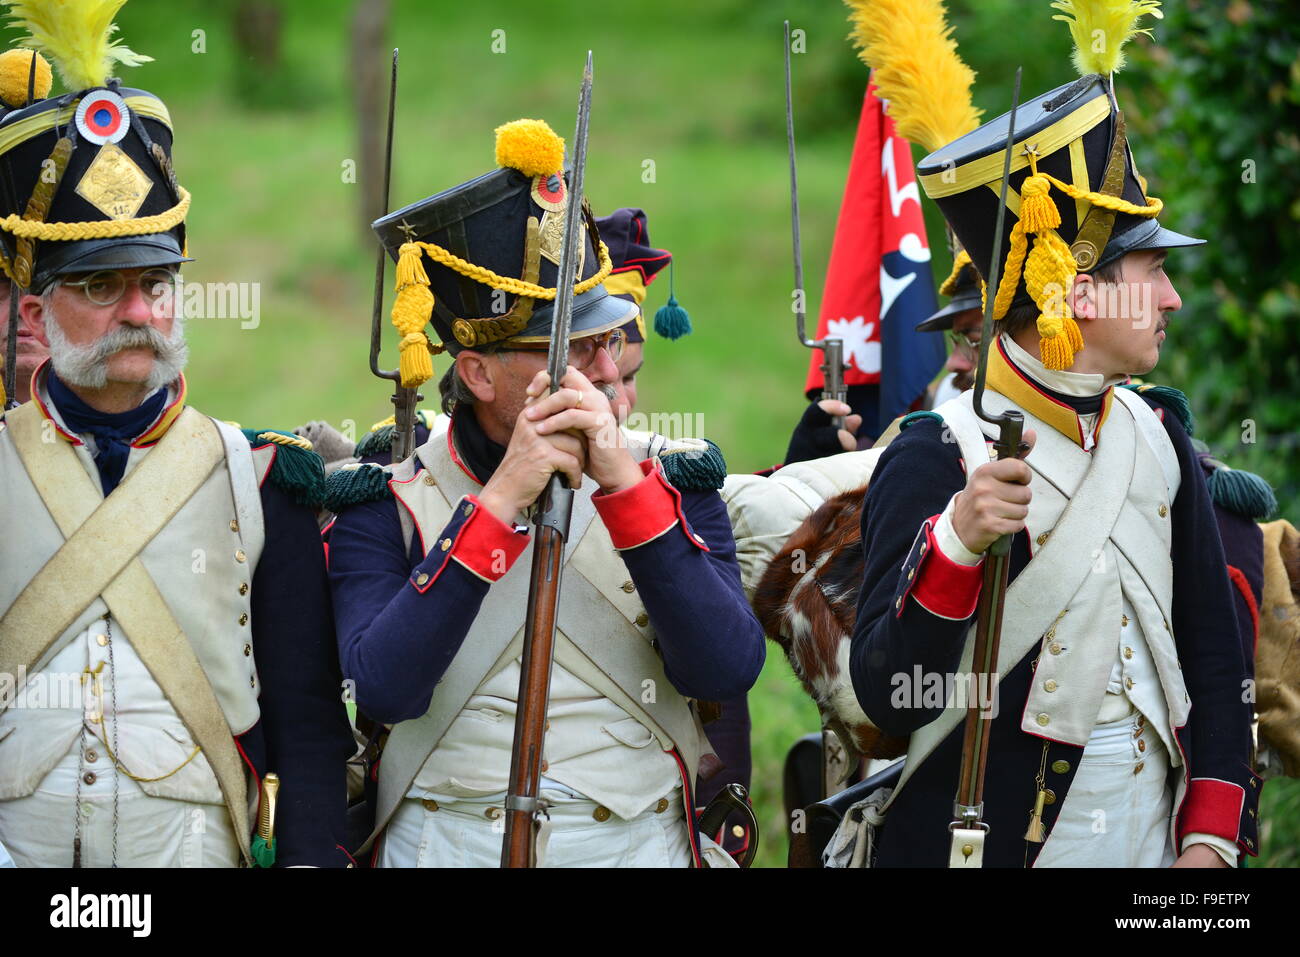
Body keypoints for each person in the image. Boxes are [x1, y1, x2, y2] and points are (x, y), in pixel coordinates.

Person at [846, 30, 1260, 866]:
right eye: (1150, 271)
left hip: (1158, 846)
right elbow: (890, 693)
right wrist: (958, 539)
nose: (1173, 298)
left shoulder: (1159, 436)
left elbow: (1217, 659)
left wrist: (1211, 838)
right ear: (1068, 287)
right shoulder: (934, 452)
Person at [325, 119, 765, 867]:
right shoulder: (385, 493)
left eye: (605, 343)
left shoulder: (673, 476)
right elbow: (388, 688)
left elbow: (725, 666)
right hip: (445, 838)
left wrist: (624, 485)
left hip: (632, 839)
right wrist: (499, 501)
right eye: (567, 348)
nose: (600, 369)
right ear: (477, 373)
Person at [0, 16, 353, 867]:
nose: (139, 312)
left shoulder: (267, 479)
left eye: (156, 283)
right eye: (101, 284)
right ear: (37, 312)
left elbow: (308, 728)